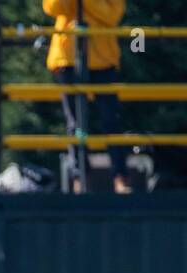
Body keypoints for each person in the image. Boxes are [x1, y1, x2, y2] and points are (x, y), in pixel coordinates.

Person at [44, 0, 132, 194]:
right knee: (75, 123)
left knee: (110, 120)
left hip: (102, 57)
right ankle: (79, 176)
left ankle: (120, 177)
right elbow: (52, 7)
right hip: (68, 56)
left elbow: (113, 16)